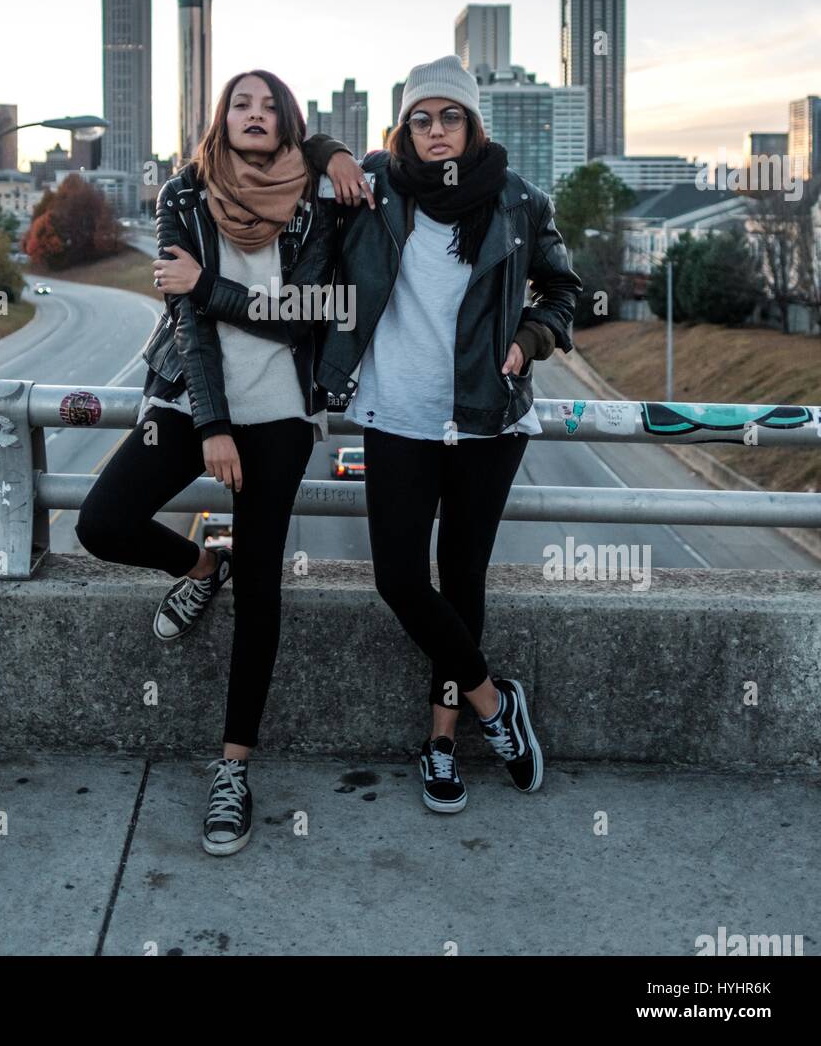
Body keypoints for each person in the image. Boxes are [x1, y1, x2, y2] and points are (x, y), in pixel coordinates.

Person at [308, 54, 582, 812]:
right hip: (396, 417)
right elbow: (294, 148)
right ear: (403, 127)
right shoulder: (373, 190)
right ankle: (496, 706)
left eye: (449, 116)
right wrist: (330, 153)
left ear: (471, 124)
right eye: (420, 118)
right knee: (399, 580)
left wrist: (528, 340)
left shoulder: (517, 201)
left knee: (461, 583)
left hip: (488, 423)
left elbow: (565, 291)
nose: (435, 130)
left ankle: (440, 742)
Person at [75, 70, 338, 855]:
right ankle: (196, 567)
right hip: (190, 400)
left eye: (269, 106)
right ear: (219, 121)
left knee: (262, 586)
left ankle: (232, 768)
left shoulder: (314, 200)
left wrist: (212, 283)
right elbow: (186, 319)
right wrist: (212, 424)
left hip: (282, 414)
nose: (253, 115)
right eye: (239, 104)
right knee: (103, 522)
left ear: (288, 124)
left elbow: (308, 316)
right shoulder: (182, 196)